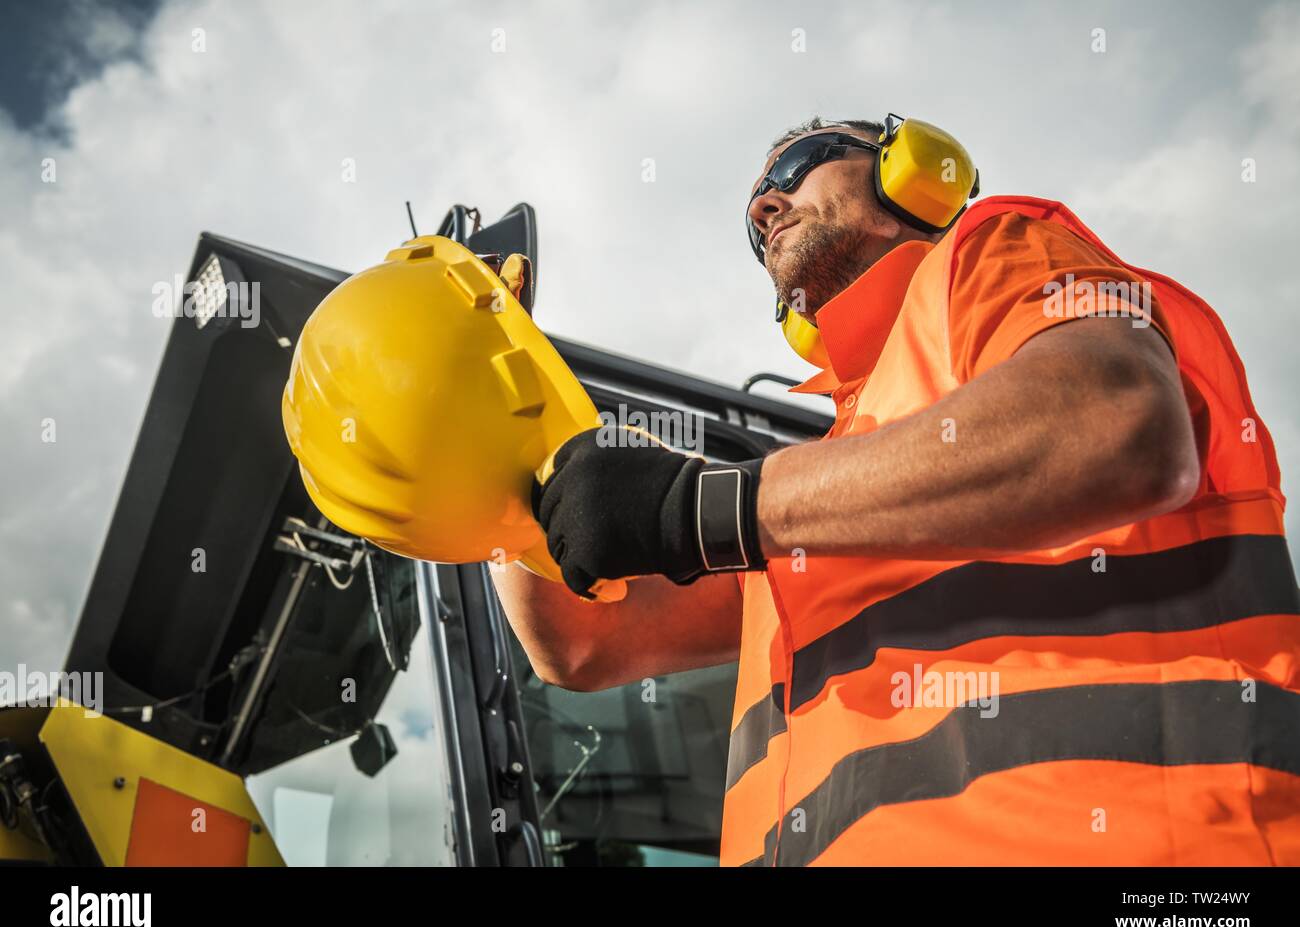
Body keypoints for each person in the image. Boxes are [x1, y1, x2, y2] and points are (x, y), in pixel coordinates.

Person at [492, 114, 1300, 866]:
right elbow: (587, 644)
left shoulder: (998, 250)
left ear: (911, 169)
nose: (768, 206)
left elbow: (1114, 421)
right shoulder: (834, 478)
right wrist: (498, 411)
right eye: (753, 220)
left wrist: (709, 508)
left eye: (799, 167)